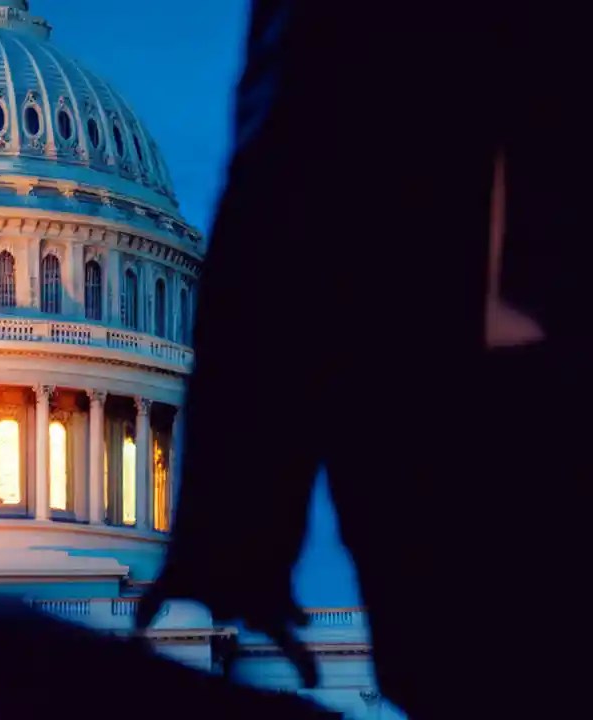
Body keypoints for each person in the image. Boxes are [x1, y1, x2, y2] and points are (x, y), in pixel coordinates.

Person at [136, 1, 587, 717]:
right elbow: (282, 205)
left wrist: (232, 538)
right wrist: (234, 540)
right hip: (437, 412)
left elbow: (277, 203)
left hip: (440, 401)